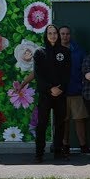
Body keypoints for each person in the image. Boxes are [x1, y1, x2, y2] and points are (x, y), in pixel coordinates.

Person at [31, 24, 70, 161]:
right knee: (42, 123)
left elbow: (67, 73)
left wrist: (60, 88)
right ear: (46, 36)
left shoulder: (65, 52)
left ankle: (58, 151)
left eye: (55, 33)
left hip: (60, 94)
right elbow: (38, 75)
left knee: (60, 123)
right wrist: (49, 89)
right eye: (50, 33)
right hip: (45, 94)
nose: (53, 36)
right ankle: (39, 153)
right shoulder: (39, 53)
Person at [58, 26, 89, 157]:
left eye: (67, 34)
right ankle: (65, 145)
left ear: (70, 35)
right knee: (63, 121)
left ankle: (83, 146)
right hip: (60, 93)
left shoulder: (79, 51)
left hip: (77, 91)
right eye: (62, 34)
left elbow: (86, 70)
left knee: (79, 119)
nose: (65, 36)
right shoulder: (54, 51)